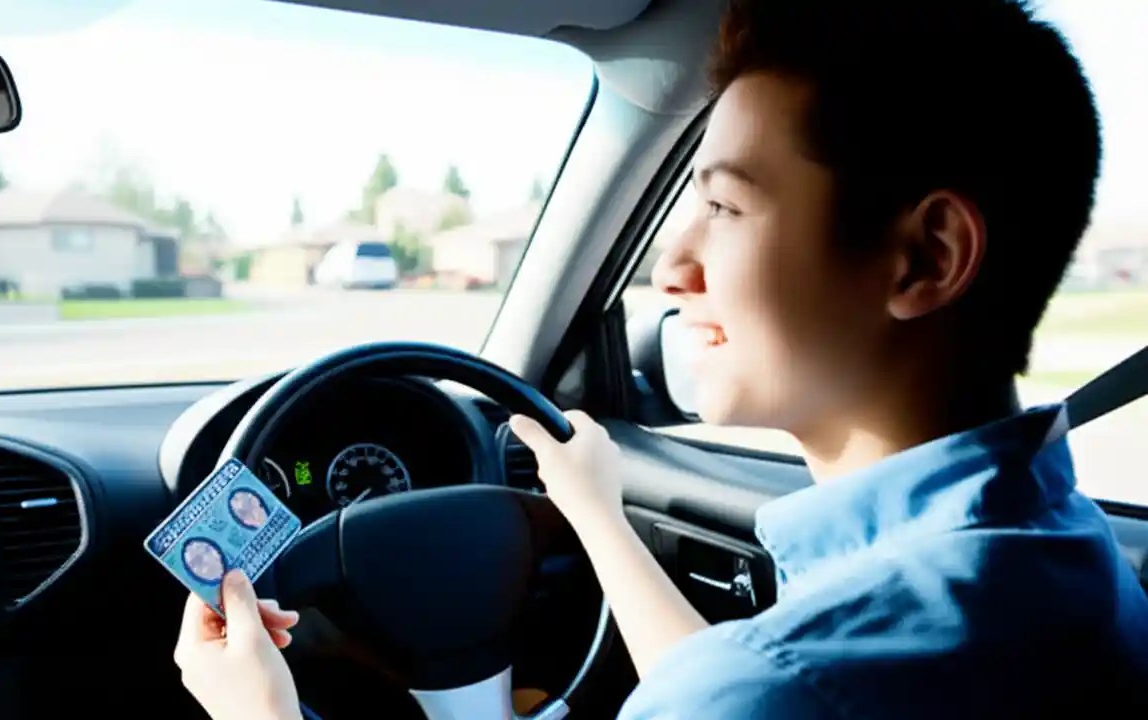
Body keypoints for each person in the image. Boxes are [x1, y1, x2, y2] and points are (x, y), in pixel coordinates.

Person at [175, 0, 1148, 717]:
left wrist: (259, 716)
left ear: (925, 257)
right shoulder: (1073, 563)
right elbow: (725, 683)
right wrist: (594, 510)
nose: (671, 268)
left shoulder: (778, 688)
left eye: (722, 206)